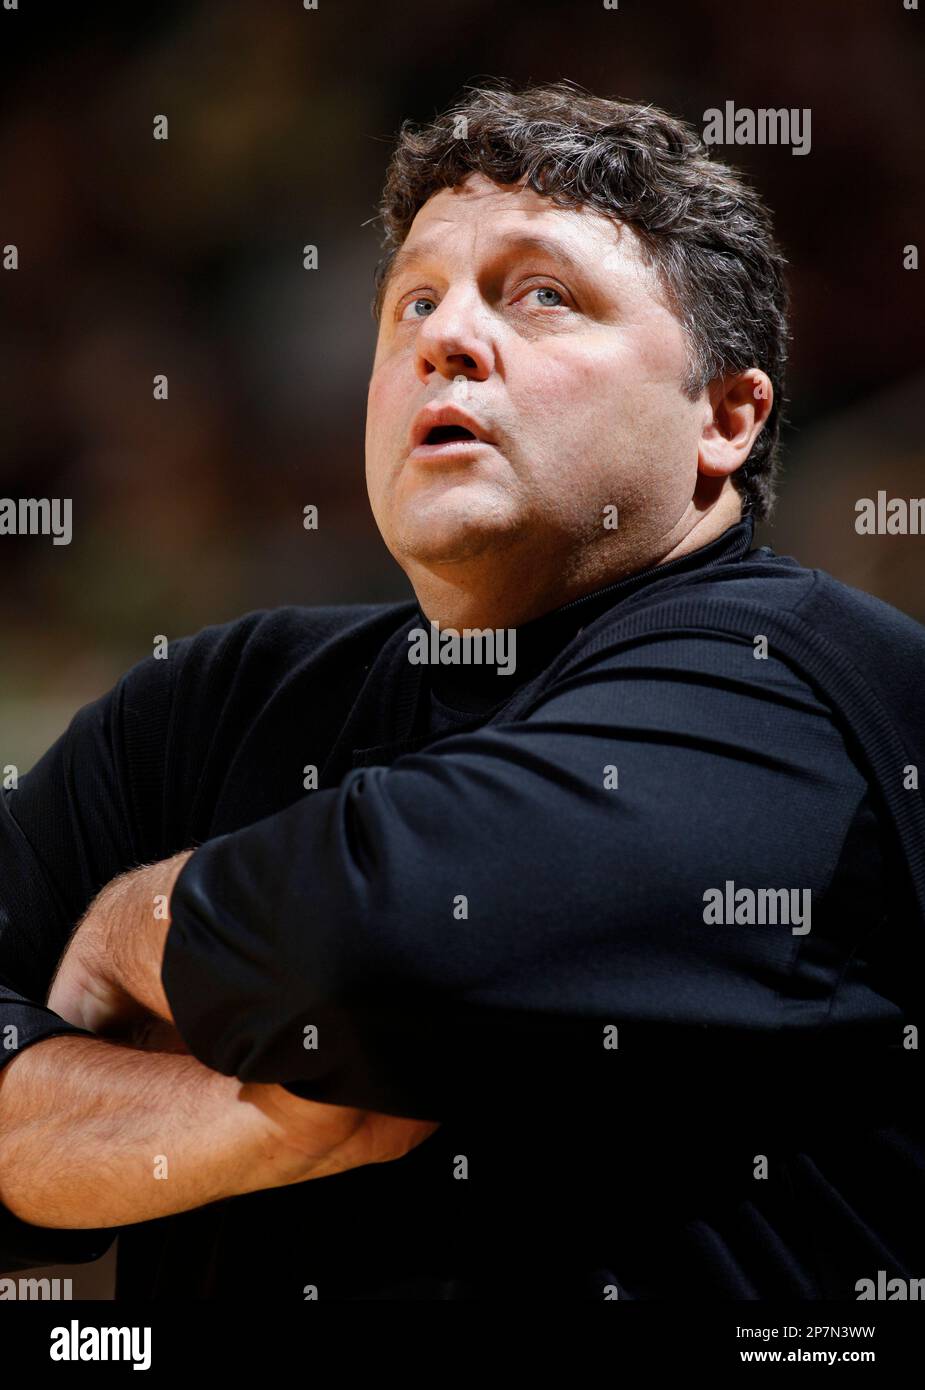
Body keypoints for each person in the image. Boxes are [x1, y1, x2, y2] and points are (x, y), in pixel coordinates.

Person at [1, 80, 923, 1300]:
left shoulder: (806, 683)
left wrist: (125, 927)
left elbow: (386, 942)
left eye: (542, 295)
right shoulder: (218, 696)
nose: (447, 336)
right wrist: (266, 1116)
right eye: (415, 302)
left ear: (725, 415)